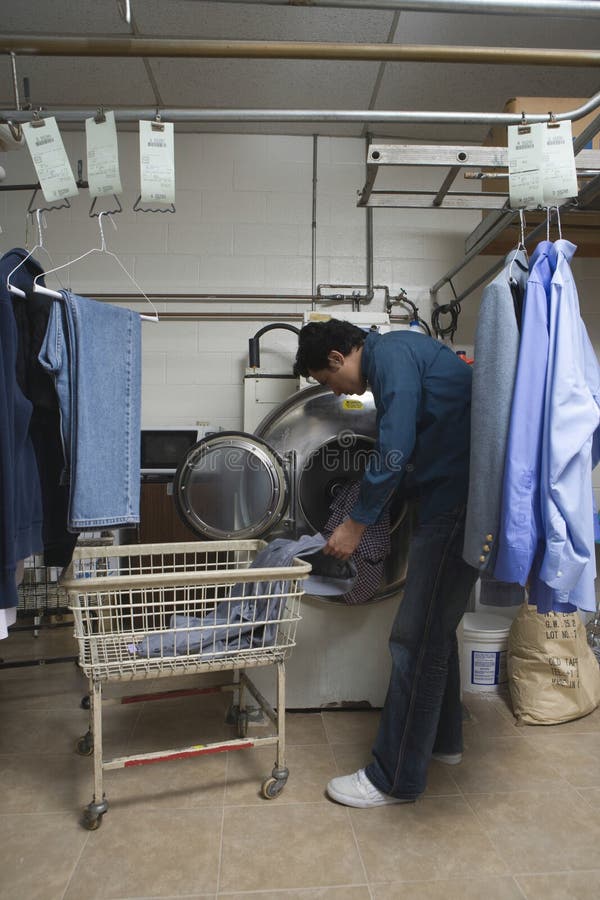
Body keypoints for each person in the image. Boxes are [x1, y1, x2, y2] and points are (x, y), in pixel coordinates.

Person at [294, 319, 478, 808]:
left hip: (452, 503)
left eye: (325, 381)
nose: (332, 390)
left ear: (337, 358)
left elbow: (394, 449)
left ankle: (392, 778)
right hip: (454, 499)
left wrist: (355, 523)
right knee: (435, 631)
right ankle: (444, 741)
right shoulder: (401, 354)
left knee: (414, 640)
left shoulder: (391, 354)